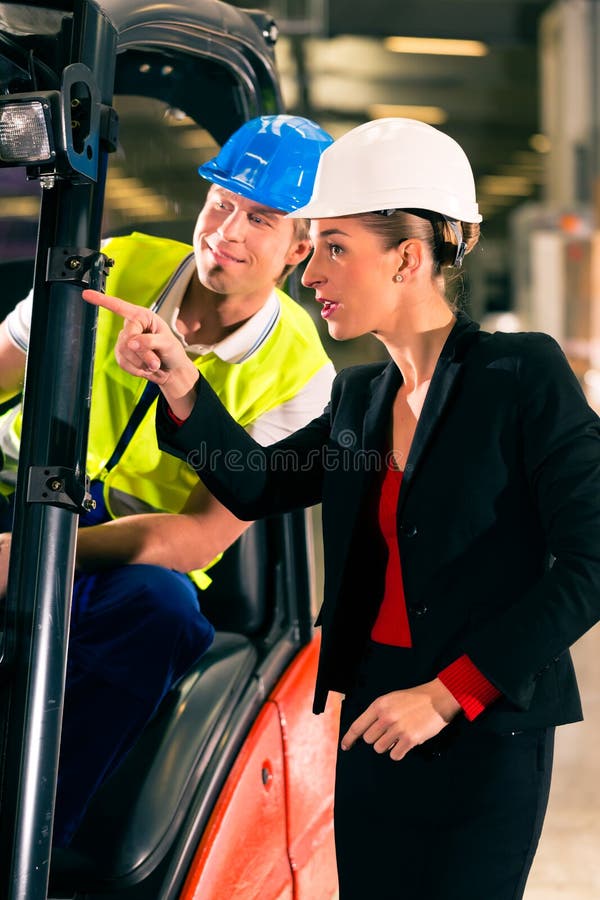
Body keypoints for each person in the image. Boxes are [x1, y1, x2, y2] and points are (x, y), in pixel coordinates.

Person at [83, 117, 600, 900]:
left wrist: (448, 692)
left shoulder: (517, 377)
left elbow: (589, 561)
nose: (309, 272)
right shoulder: (362, 398)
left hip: (478, 725)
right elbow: (257, 484)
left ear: (408, 257)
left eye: (332, 248)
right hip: (368, 715)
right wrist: (182, 383)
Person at [0, 114, 335, 847]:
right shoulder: (118, 262)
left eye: (261, 219)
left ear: (300, 247)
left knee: (163, 617)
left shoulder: (303, 376)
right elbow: (4, 363)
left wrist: (28, 554)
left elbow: (195, 537)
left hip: (124, 554)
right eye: (221, 204)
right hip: (11, 492)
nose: (227, 233)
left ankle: (35, 844)